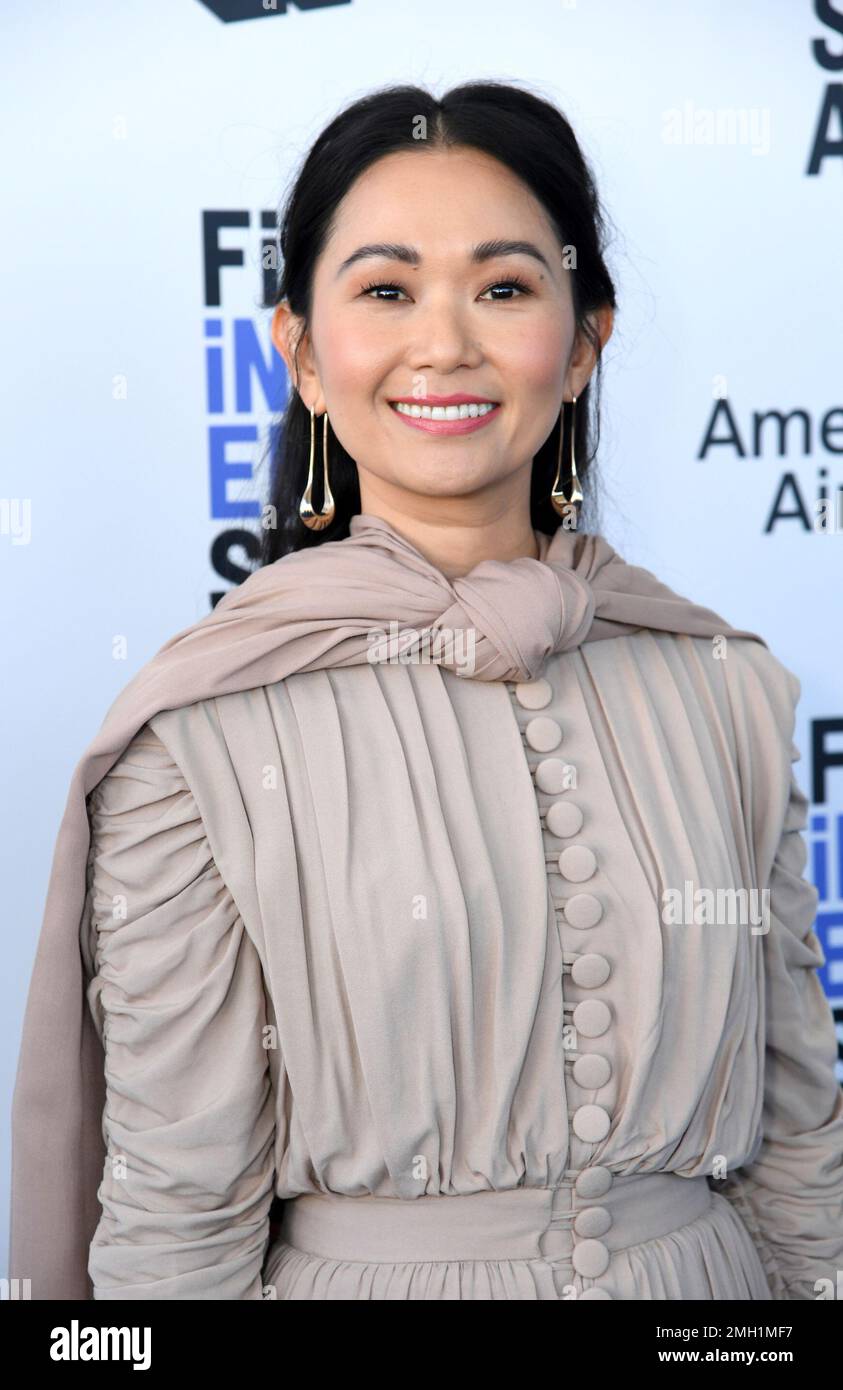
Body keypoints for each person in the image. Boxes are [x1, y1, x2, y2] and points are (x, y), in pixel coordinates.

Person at [10, 81, 843, 1301]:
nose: (445, 343)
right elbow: (177, 1213)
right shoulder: (196, 734)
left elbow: (799, 1146)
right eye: (386, 291)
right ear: (299, 350)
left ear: (585, 343)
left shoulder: (725, 688)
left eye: (505, 288)